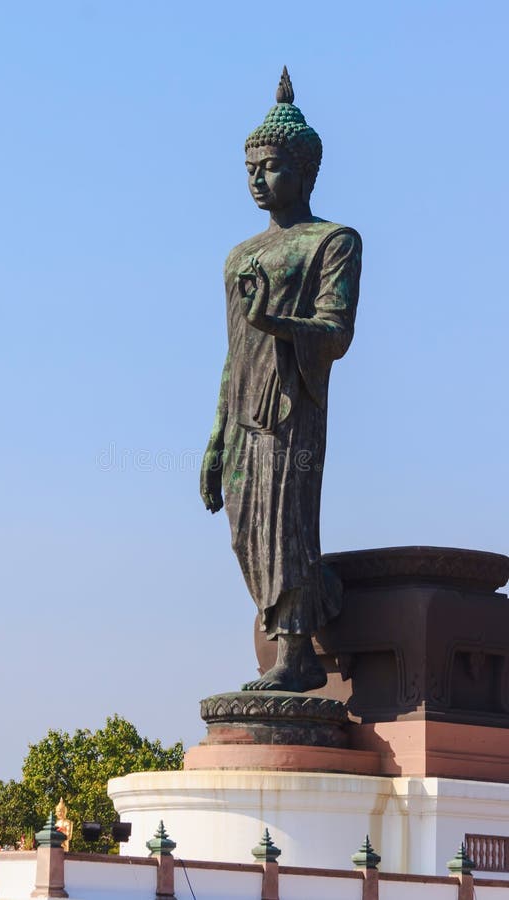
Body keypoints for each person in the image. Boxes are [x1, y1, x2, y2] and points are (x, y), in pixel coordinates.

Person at [200, 67, 362, 693]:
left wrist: (274, 318)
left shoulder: (333, 242)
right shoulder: (240, 256)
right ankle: (297, 626)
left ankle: (296, 654)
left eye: (269, 167)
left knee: (287, 521)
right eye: (250, 170)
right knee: (247, 532)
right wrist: (216, 439)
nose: (258, 180)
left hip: (291, 407)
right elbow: (233, 352)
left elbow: (336, 332)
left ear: (304, 170)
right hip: (243, 415)